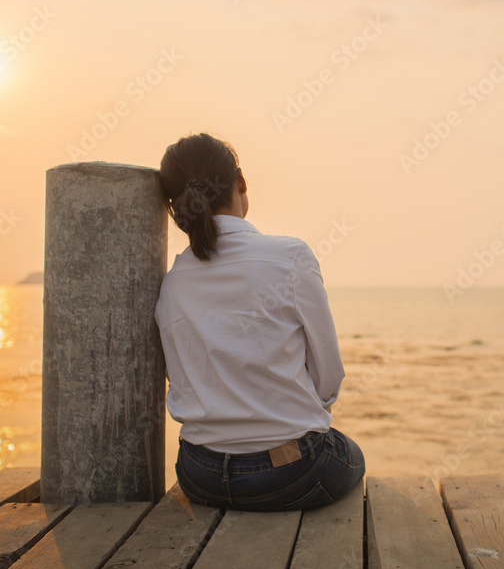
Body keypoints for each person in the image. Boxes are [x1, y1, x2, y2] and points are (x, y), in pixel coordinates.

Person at [153, 132, 364, 511]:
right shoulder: (290, 257)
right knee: (351, 455)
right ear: (240, 183)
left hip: (199, 475)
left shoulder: (171, 282)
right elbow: (328, 377)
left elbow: (181, 379)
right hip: (290, 474)